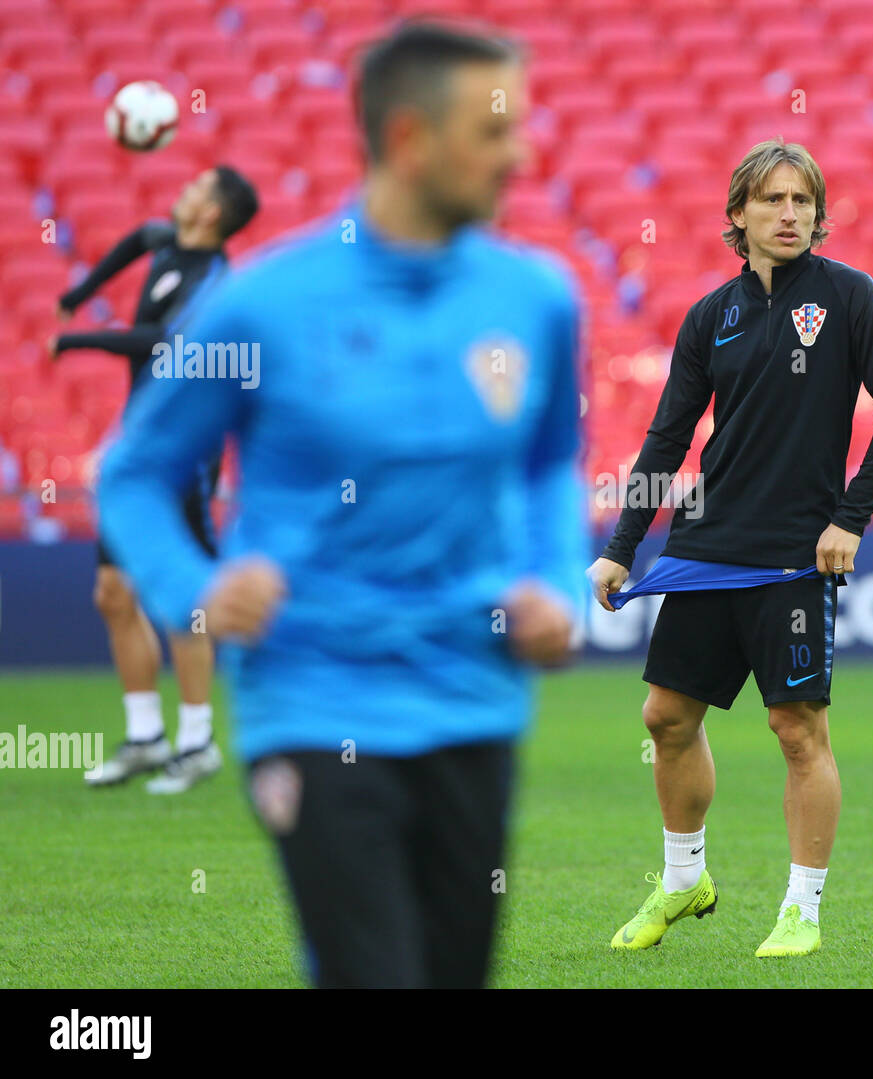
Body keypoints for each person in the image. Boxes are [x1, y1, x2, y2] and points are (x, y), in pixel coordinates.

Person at [97, 21, 586, 987]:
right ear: (409, 139)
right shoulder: (264, 305)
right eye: (494, 133)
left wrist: (556, 583)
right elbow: (134, 472)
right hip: (315, 697)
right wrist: (193, 586)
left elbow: (549, 465)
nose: (521, 155)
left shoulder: (538, 299)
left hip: (474, 692)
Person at [589, 139, 873, 957]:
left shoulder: (849, 296)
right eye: (771, 200)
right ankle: (682, 880)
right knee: (665, 716)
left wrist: (850, 518)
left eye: (802, 201)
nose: (789, 214)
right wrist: (622, 544)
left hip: (795, 555)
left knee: (796, 727)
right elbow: (667, 437)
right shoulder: (711, 314)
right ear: (738, 215)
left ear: (818, 214)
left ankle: (801, 907)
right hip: (706, 545)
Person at [51, 166, 259, 792]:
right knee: (113, 593)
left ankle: (196, 742)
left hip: (184, 453)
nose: (184, 191)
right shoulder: (169, 245)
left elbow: (160, 341)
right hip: (140, 450)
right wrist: (79, 290)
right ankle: (145, 737)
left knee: (184, 599)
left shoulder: (213, 281)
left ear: (214, 213)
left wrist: (78, 336)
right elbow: (138, 240)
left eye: (198, 189)